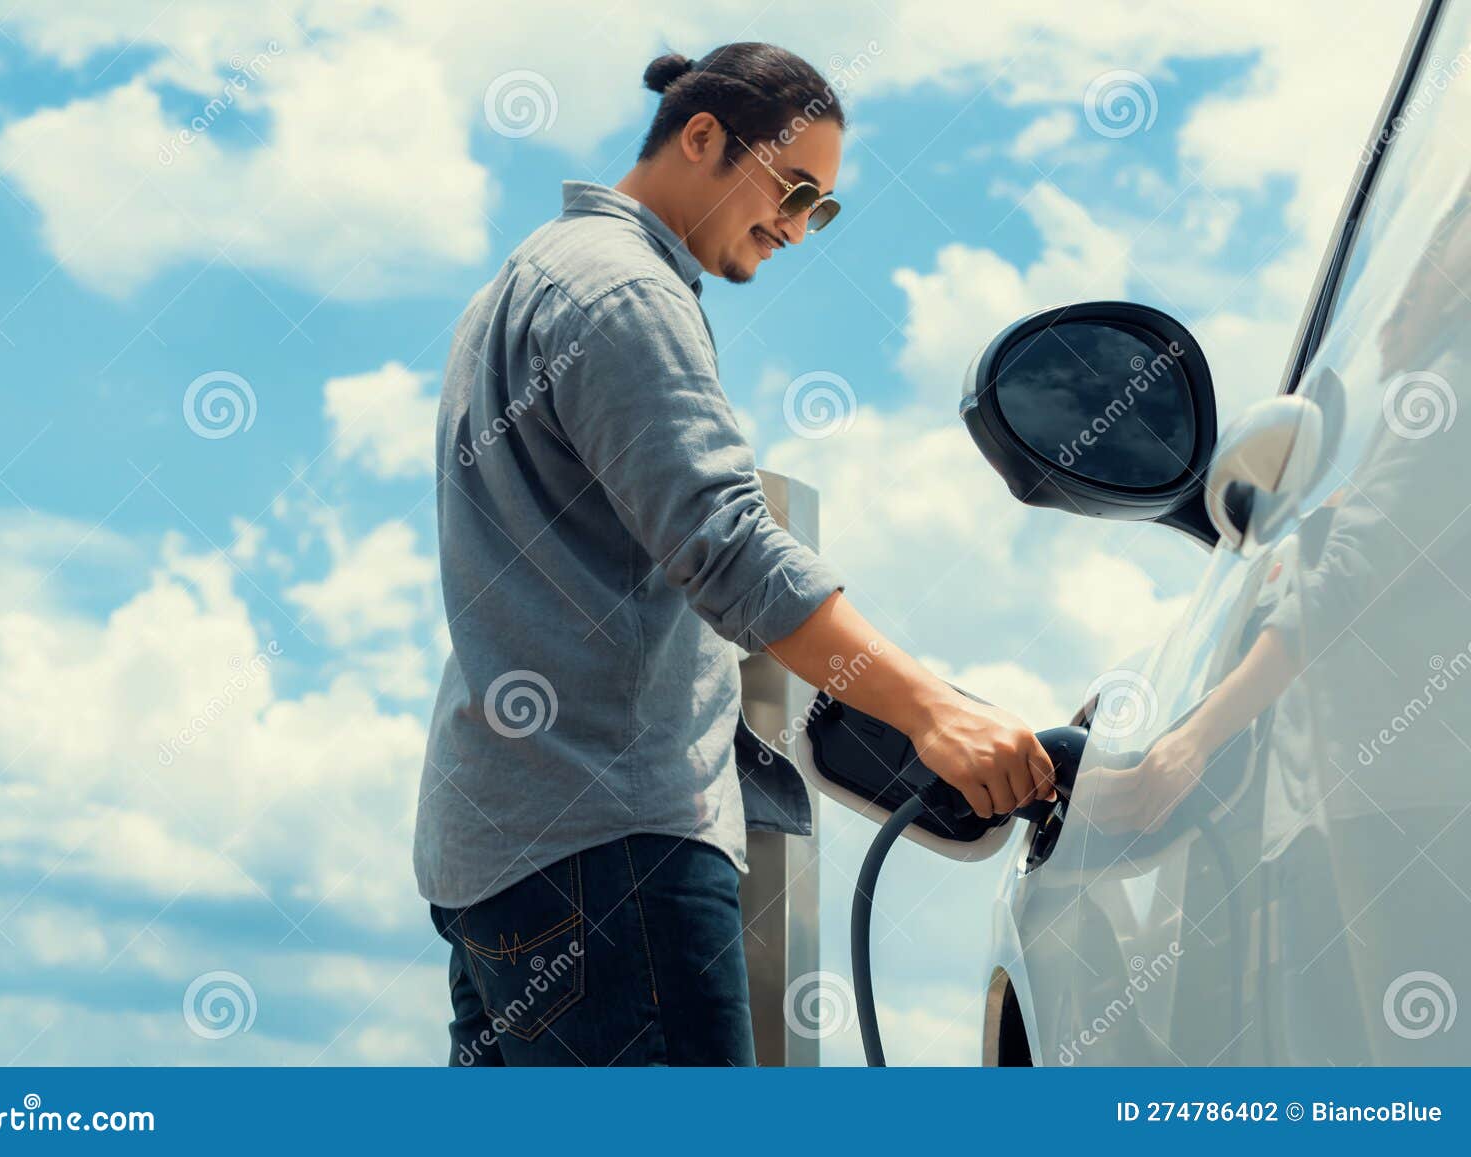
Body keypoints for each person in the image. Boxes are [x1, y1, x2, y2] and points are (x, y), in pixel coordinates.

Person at [415, 42, 1054, 1066]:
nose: (800, 228)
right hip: (610, 852)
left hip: (501, 850)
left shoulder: (523, 281)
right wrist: (935, 710)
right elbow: (729, 546)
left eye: (823, 210)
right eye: (794, 189)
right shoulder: (625, 295)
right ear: (701, 136)